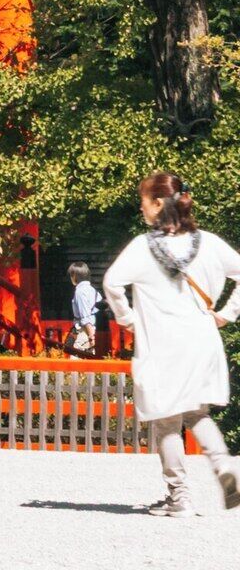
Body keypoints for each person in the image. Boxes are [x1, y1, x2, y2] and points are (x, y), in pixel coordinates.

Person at [102, 171, 240, 517]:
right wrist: (227, 313)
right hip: (202, 337)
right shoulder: (208, 242)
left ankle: (179, 497)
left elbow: (111, 283)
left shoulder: (141, 247)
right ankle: (224, 466)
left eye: (144, 202)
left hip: (162, 343)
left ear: (159, 203)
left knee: (167, 421)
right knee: (197, 413)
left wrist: (129, 320)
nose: (142, 210)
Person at [70, 258, 107, 357]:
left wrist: (91, 338)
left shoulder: (79, 292)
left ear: (74, 276)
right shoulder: (94, 291)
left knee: (75, 368)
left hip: (85, 333)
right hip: (97, 330)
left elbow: (85, 318)